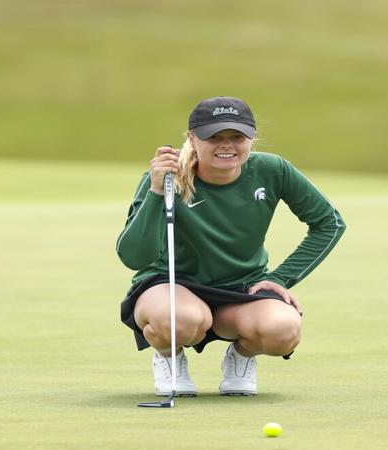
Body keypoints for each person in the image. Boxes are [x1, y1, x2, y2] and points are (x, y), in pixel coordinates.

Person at [116, 96, 346, 396]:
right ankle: (168, 356)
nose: (226, 145)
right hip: (171, 284)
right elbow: (135, 256)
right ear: (191, 138)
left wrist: (279, 279)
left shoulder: (272, 170)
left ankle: (241, 357)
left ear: (251, 138)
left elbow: (329, 223)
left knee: (283, 330)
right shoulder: (164, 179)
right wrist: (157, 191)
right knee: (180, 320)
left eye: (236, 136)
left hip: (239, 289)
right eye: (214, 137)